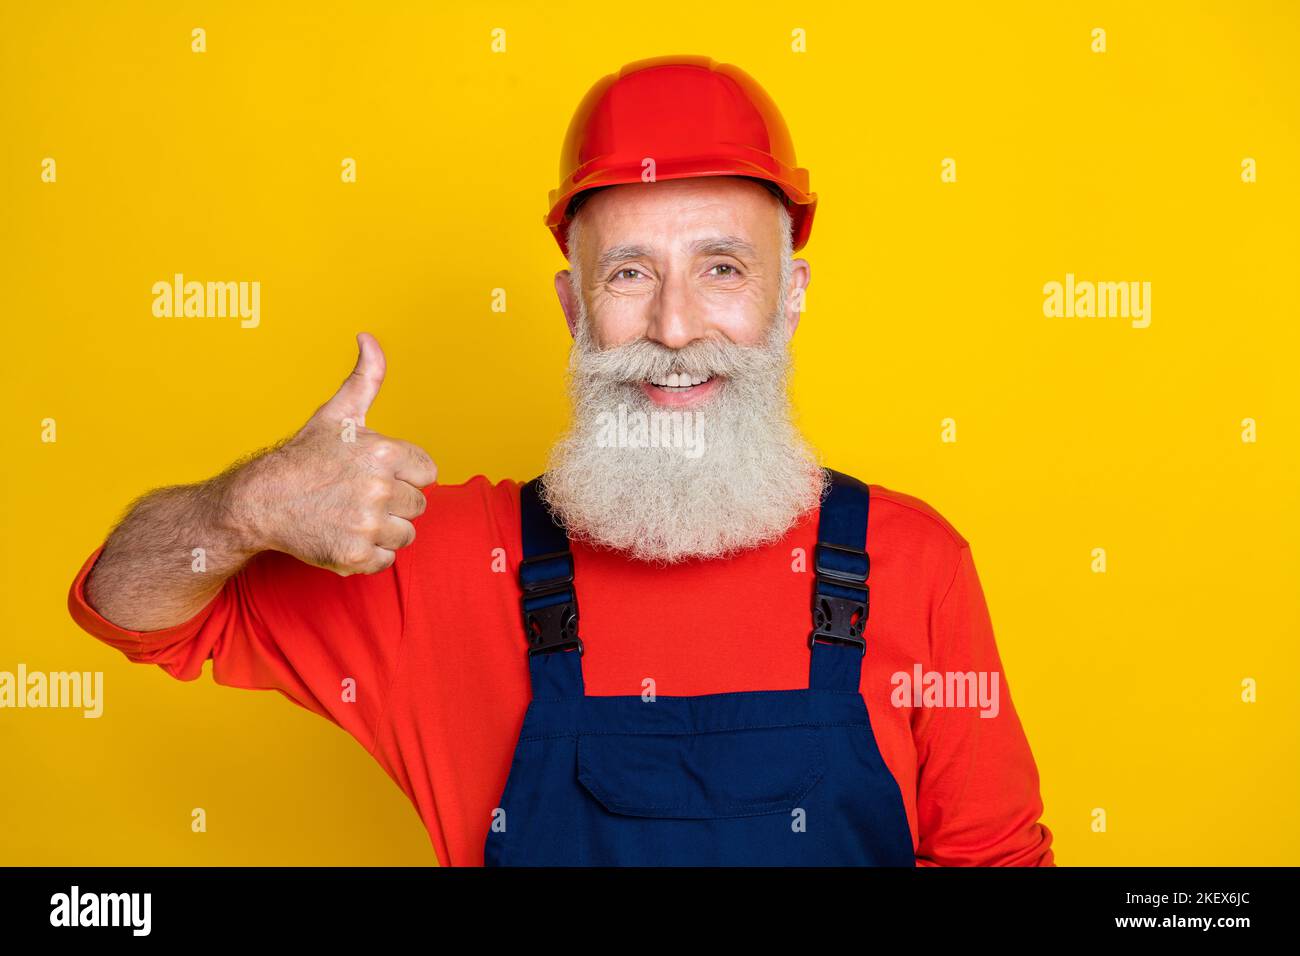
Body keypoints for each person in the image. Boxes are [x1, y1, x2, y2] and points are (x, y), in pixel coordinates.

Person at [67, 55, 1055, 866]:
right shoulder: (435, 561)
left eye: (721, 267)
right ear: (574, 308)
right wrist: (244, 507)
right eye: (629, 274)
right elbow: (126, 603)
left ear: (788, 297)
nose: (673, 328)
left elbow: (996, 856)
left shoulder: (912, 560)